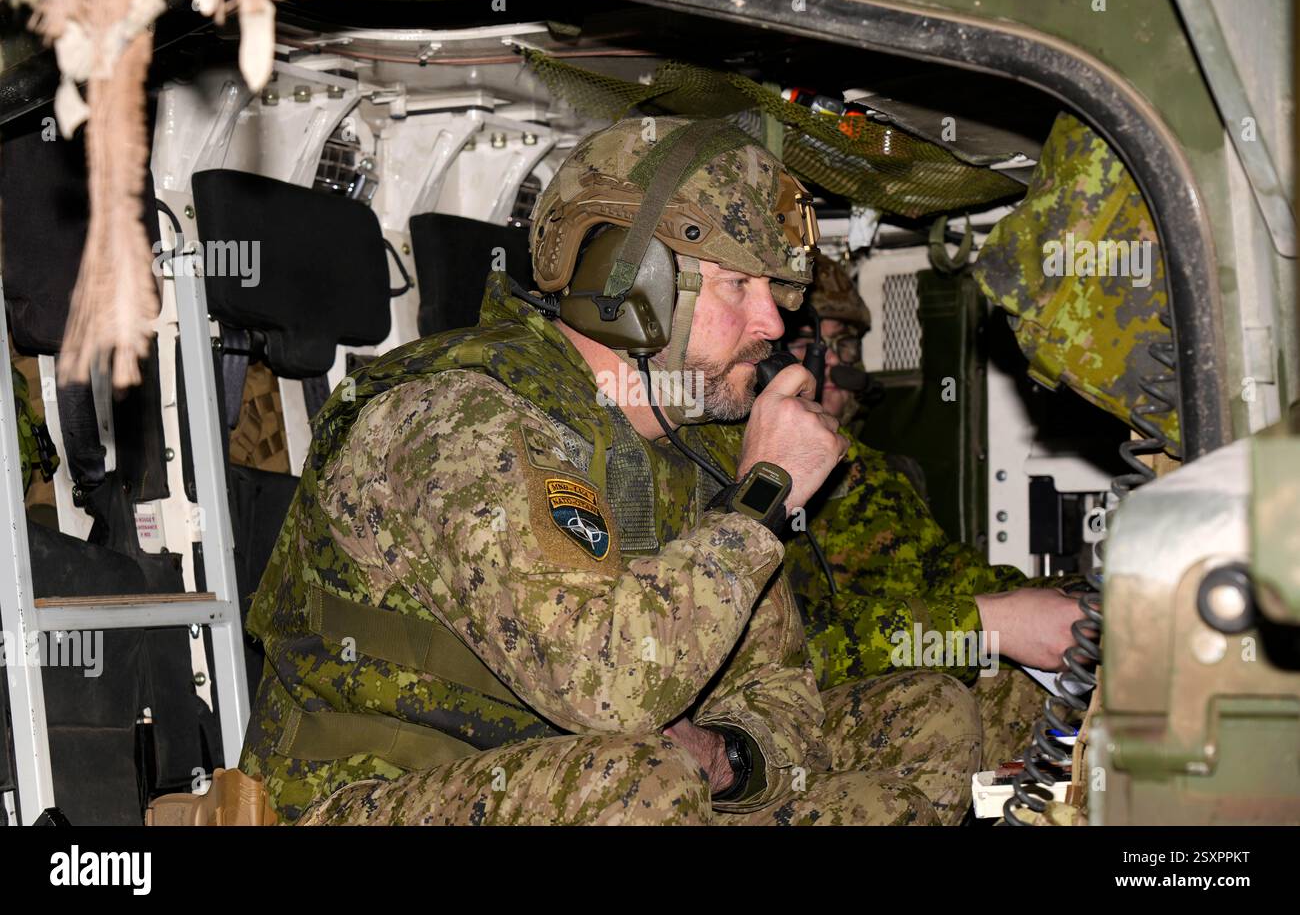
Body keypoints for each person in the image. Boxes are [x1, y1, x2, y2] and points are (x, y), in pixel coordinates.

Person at [238, 117, 983, 825]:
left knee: (929, 715)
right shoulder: (463, 418)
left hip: (610, 788)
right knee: (639, 779)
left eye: (776, 293)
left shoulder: (697, 448)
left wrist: (729, 757)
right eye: (739, 287)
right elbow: (608, 686)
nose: (773, 325)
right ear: (630, 284)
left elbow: (779, 688)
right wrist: (758, 500)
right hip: (369, 794)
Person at [781, 251, 1084, 768]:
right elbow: (792, 648)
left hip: (881, 681)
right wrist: (984, 624)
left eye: (842, 347)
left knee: (1033, 682)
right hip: (786, 714)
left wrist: (1059, 602)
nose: (830, 364)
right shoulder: (743, 469)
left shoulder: (869, 473)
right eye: (809, 346)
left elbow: (941, 572)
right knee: (940, 706)